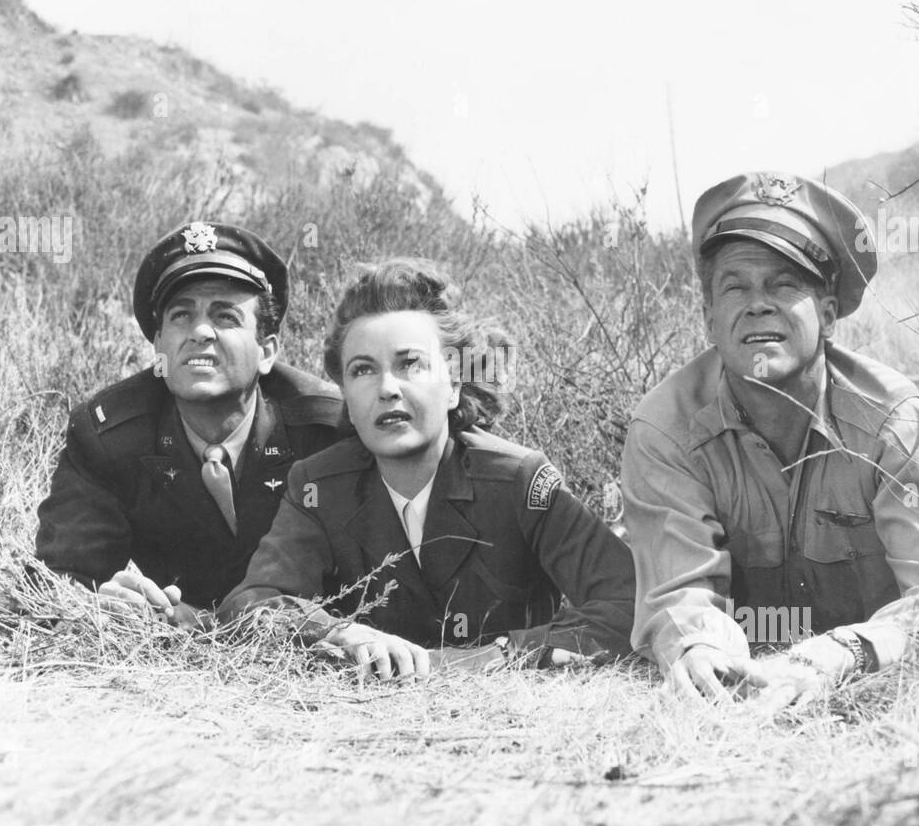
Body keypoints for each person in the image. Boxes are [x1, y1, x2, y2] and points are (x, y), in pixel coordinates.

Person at [622, 172, 919, 709]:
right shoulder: (666, 428)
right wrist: (701, 652)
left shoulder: (888, 415)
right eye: (734, 287)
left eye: (784, 284)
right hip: (748, 682)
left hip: (867, 682)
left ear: (828, 314)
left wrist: (840, 655)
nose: (757, 304)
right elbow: (680, 592)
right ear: (708, 318)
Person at [217, 258, 635, 679]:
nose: (386, 388)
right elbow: (253, 602)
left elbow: (628, 602)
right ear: (344, 393)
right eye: (362, 370)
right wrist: (343, 634)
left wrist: (504, 654)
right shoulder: (319, 486)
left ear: (453, 384)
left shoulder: (519, 481)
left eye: (409, 364)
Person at [35, 221, 346, 627]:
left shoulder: (326, 429)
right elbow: (59, 581)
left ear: (267, 351)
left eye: (226, 316)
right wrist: (104, 604)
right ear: (159, 346)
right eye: (182, 315)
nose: (200, 332)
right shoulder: (107, 437)